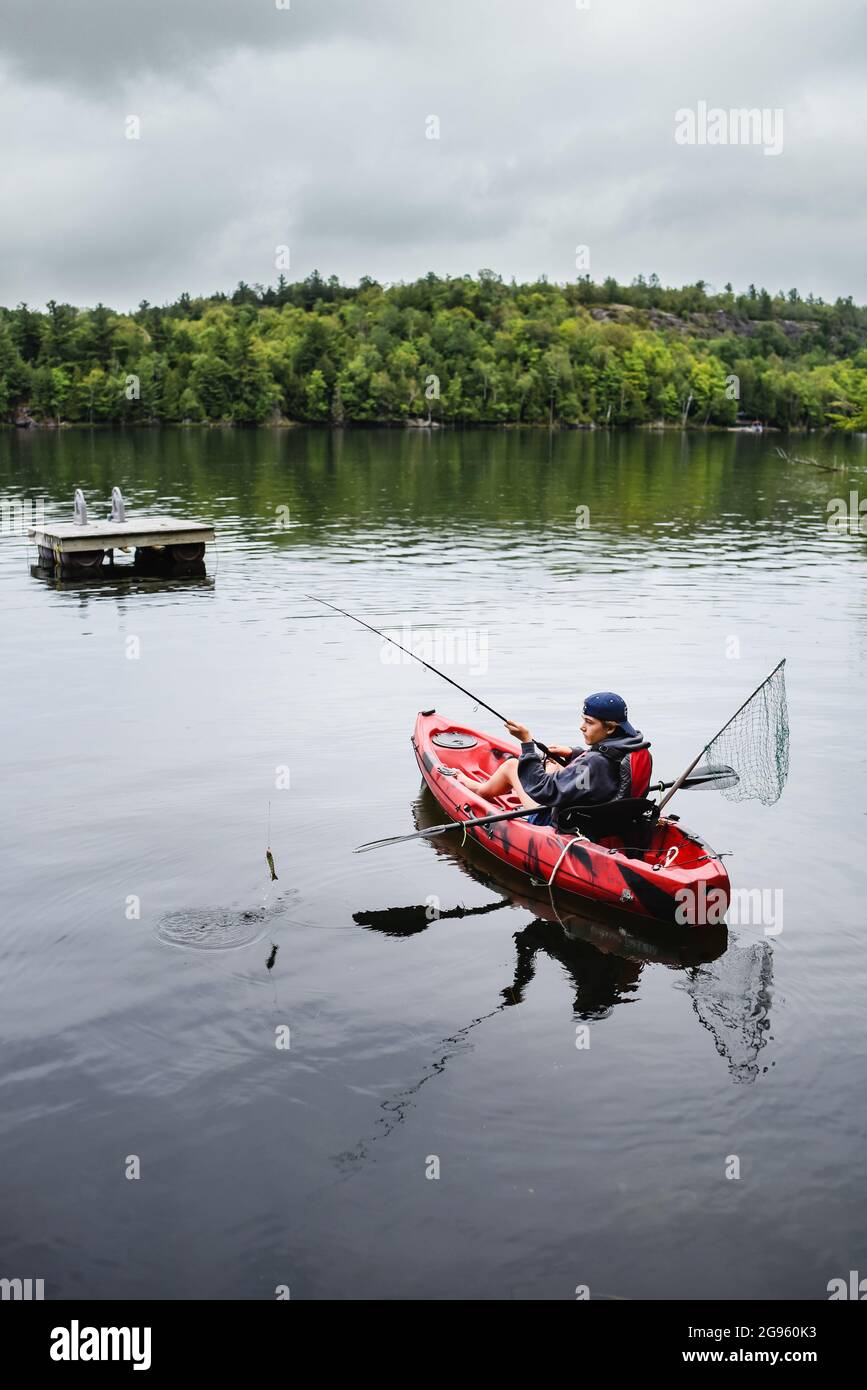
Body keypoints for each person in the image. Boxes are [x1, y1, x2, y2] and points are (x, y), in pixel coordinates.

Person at [453, 692, 651, 824]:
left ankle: (477, 789)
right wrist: (574, 754)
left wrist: (527, 744)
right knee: (554, 764)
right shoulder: (636, 749)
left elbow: (543, 789)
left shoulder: (595, 762)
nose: (582, 727)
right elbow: (605, 768)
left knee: (512, 766)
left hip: (563, 822)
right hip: (611, 821)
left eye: (589, 723)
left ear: (610, 727)